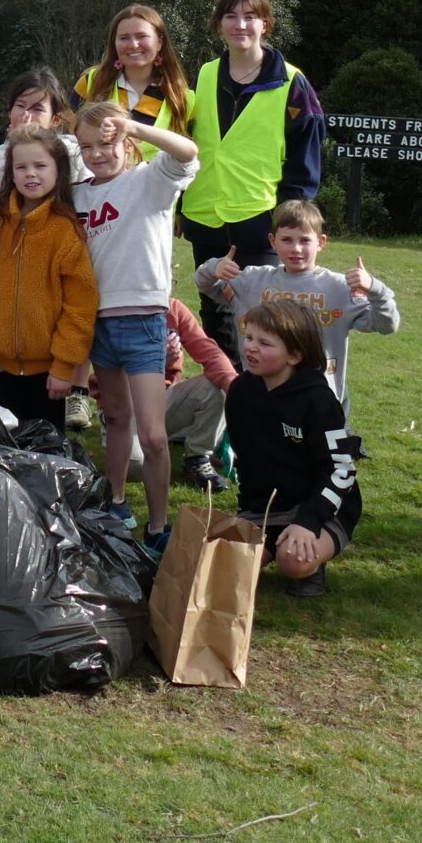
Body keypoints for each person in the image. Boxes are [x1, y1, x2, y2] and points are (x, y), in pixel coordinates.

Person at [73, 100, 201, 542]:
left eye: (107, 143)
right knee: (116, 419)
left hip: (144, 320)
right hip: (98, 324)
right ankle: (117, 503)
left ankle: (159, 524)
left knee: (154, 435)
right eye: (86, 146)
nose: (97, 153)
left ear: (127, 144)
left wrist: (134, 126)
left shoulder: (149, 182)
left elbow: (187, 151)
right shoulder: (77, 194)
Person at [180, 0, 324, 370]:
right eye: (230, 15)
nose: (239, 24)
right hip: (205, 213)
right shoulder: (206, 74)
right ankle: (228, 399)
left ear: (266, 24)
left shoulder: (292, 82)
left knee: (266, 320)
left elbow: (306, 151)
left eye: (250, 16)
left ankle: (266, 401)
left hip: (260, 218)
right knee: (215, 314)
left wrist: (289, 217)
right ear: (219, 24)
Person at [197, 200, 399, 409]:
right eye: (286, 240)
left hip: (321, 402)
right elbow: (207, 286)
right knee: (262, 441)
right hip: (264, 397)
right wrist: (214, 268)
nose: (296, 249)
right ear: (272, 241)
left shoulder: (339, 288)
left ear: (321, 242)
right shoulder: (253, 281)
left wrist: (375, 289)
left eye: (304, 240)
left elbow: (386, 325)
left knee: (332, 442)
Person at [226, 297, 364, 599]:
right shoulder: (239, 392)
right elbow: (246, 461)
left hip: (320, 507)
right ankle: (274, 540)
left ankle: (311, 565)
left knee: (294, 561)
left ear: (294, 355)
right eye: (249, 337)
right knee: (227, 565)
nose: (250, 347)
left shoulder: (319, 401)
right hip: (266, 508)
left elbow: (341, 470)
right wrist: (248, 515)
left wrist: (308, 520)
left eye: (264, 343)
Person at [0, 124, 97, 430]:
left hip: (50, 371)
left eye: (40, 166)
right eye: (22, 167)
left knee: (47, 455)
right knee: (11, 449)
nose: (31, 174)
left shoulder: (66, 230)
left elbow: (80, 306)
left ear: (59, 170)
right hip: (1, 364)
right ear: (11, 172)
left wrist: (64, 367)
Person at [89, 298, 237, 504]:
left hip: (164, 397)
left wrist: (239, 394)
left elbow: (211, 354)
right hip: (125, 404)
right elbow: (111, 380)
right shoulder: (116, 311)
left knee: (216, 385)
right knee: (135, 466)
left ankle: (198, 456)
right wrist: (154, 361)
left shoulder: (173, 308)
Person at [75, 3, 193, 153]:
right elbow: (70, 138)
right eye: (124, 38)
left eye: (141, 36)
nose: (133, 45)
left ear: (159, 42)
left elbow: (190, 155)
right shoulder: (91, 82)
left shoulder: (181, 97)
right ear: (114, 44)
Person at [0, 67, 90, 199]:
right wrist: (15, 145)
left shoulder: (73, 152)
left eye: (37, 109)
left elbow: (86, 195)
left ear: (55, 119)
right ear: (10, 113)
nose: (26, 114)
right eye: (20, 106)